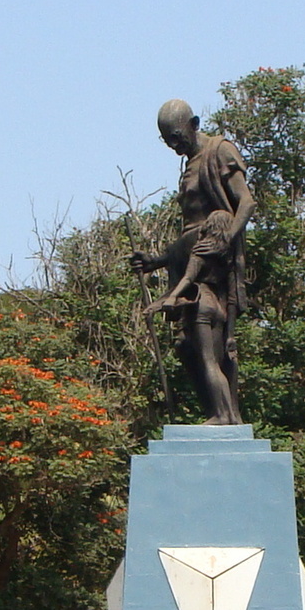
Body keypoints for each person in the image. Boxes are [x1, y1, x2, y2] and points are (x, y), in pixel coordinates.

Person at [127, 99, 255, 425]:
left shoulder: (219, 150)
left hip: (211, 265)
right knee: (189, 349)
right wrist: (156, 261)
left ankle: (226, 417)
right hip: (188, 260)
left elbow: (246, 202)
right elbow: (188, 234)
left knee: (214, 348)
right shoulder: (188, 165)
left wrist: (228, 236)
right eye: (167, 140)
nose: (174, 145)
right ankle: (218, 413)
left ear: (194, 124)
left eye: (177, 136)